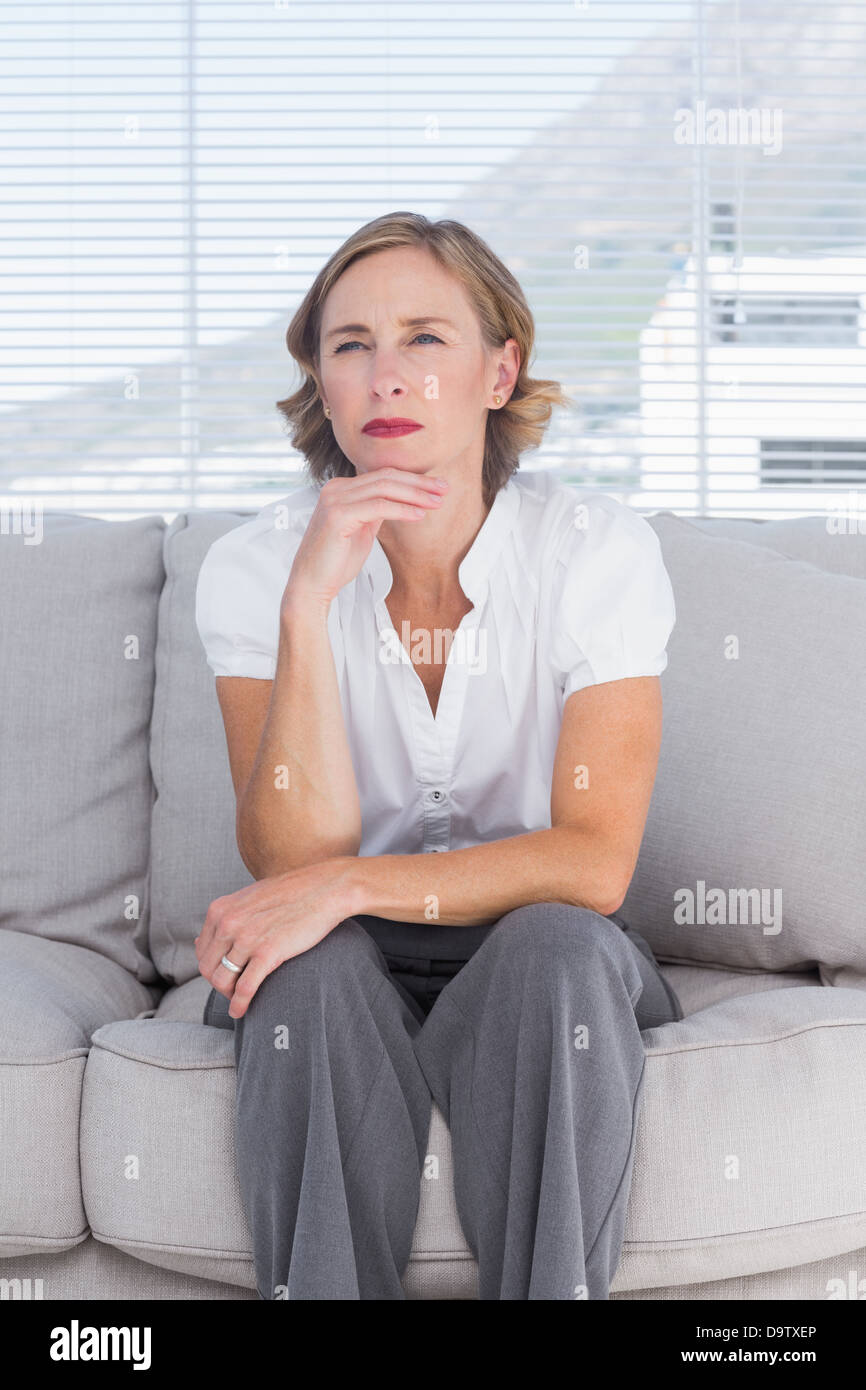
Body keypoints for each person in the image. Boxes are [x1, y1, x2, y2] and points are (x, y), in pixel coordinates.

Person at [193, 210, 684, 1301]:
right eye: (350, 345)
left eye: (425, 338)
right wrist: (310, 603)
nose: (386, 377)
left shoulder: (595, 551)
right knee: (304, 965)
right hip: (343, 958)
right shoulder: (252, 566)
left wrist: (354, 882)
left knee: (556, 948)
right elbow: (292, 859)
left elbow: (591, 864)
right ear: (321, 384)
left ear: (497, 370)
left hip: (534, 954)